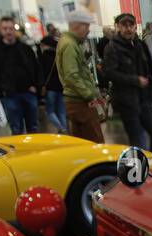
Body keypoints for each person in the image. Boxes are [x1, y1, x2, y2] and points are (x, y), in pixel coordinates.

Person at [104, 13, 152, 159]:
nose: (128, 29)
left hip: (144, 99)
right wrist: (135, 80)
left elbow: (149, 67)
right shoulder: (112, 47)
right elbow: (110, 73)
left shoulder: (140, 44)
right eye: (124, 26)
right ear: (118, 27)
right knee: (138, 139)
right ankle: (141, 173)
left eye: (131, 25)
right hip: (127, 101)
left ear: (135, 26)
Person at [0, 16, 41, 134]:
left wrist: (36, 86)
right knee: (16, 129)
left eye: (11, 28)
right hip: (9, 95)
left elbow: (36, 67)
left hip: (28, 92)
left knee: (34, 128)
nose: (8, 31)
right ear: (0, 30)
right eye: (5, 28)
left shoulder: (25, 48)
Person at [57, 10, 105, 142]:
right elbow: (72, 75)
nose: (88, 30)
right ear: (77, 26)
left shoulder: (67, 42)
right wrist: (89, 95)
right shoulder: (69, 44)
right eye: (87, 26)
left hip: (75, 99)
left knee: (82, 142)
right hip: (79, 101)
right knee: (96, 141)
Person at [37, 29, 66, 132]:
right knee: (61, 111)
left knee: (50, 111)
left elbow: (41, 73)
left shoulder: (42, 57)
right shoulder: (59, 56)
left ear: (45, 45)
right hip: (61, 87)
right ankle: (65, 129)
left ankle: (61, 128)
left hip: (50, 88)